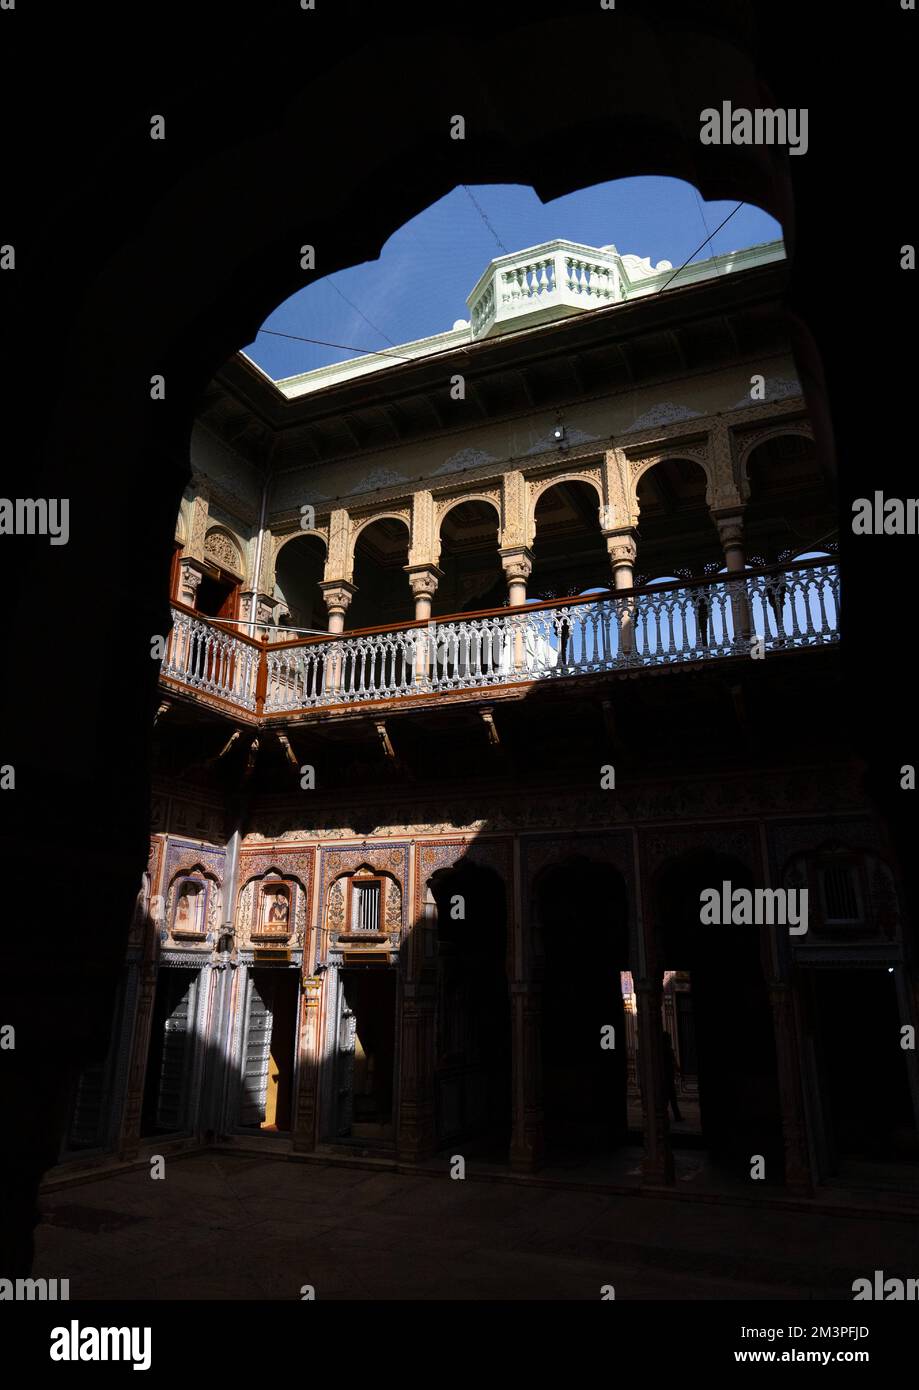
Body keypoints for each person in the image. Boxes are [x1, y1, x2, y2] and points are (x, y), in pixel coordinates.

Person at [662, 1030, 683, 1121]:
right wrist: (679, 1071)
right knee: (671, 1098)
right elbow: (674, 1063)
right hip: (668, 1077)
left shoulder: (661, 1050)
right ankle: (676, 1116)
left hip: (664, 1077)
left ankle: (666, 1115)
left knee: (667, 1098)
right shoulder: (668, 1050)